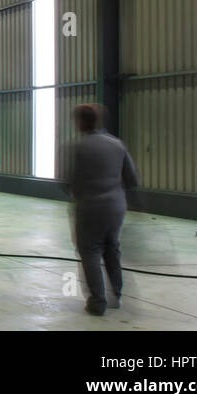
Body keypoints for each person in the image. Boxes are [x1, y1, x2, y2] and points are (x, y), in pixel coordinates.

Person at [69, 104, 140, 315]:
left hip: (90, 207)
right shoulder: (118, 144)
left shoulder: (79, 147)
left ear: (81, 121)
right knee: (112, 250)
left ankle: (97, 301)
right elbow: (132, 179)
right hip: (116, 207)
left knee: (90, 251)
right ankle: (116, 297)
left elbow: (70, 181)